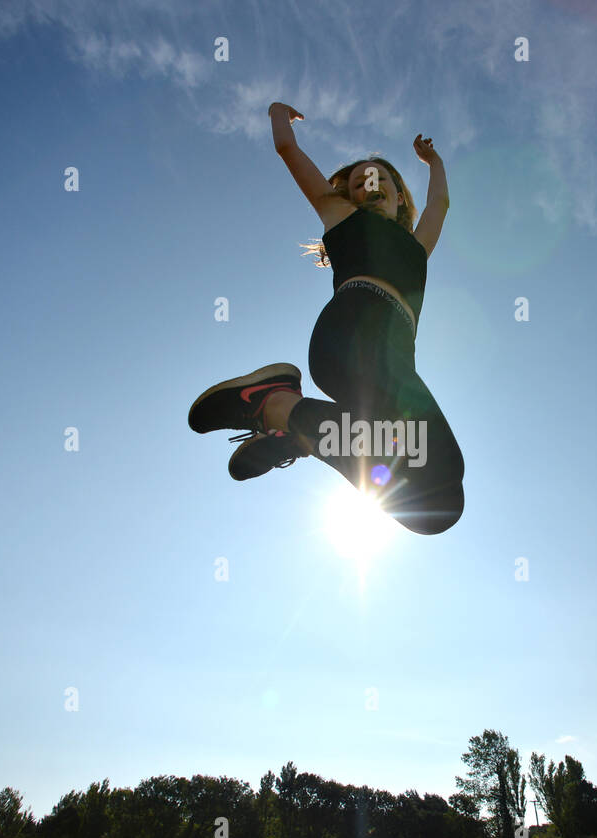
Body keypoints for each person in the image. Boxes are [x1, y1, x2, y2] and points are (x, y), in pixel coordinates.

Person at [188, 102, 464, 535]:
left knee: (438, 499)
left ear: (399, 195)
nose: (371, 183)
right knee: (433, 478)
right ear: (348, 195)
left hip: (393, 361)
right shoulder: (342, 218)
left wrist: (435, 162)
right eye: (360, 180)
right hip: (352, 336)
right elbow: (287, 150)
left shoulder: (417, 246)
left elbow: (441, 203)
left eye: (381, 178)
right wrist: (278, 113)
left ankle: (296, 428)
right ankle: (272, 404)